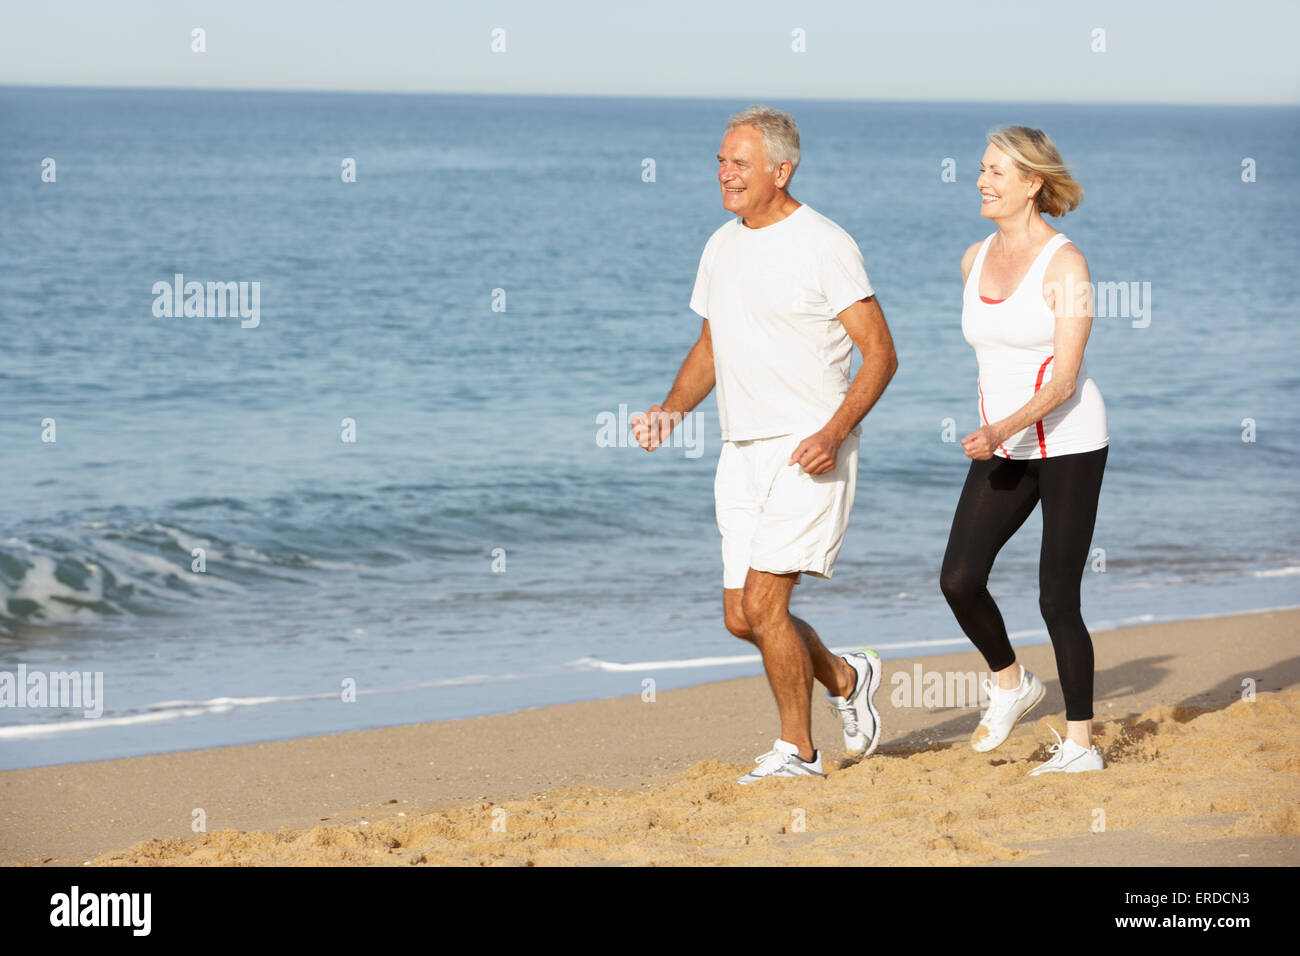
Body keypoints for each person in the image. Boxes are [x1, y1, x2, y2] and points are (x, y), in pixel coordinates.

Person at [632, 105, 898, 784]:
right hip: (740, 447)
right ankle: (844, 675)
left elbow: (881, 355)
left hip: (808, 447)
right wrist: (670, 411)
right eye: (721, 161)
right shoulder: (721, 245)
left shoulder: (823, 244)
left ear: (782, 170)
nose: (726, 174)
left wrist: (834, 433)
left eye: (740, 163)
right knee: (739, 617)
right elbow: (711, 345)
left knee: (765, 606)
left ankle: (798, 753)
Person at [940, 125, 1109, 775]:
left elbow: (1065, 379)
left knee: (1056, 597)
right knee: (958, 578)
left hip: (1068, 442)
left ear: (1033, 183)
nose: (982, 181)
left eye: (997, 172)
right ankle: (1012, 683)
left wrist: (1001, 428)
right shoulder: (972, 258)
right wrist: (998, 432)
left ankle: (1080, 746)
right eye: (980, 169)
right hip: (1004, 442)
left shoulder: (1066, 263)